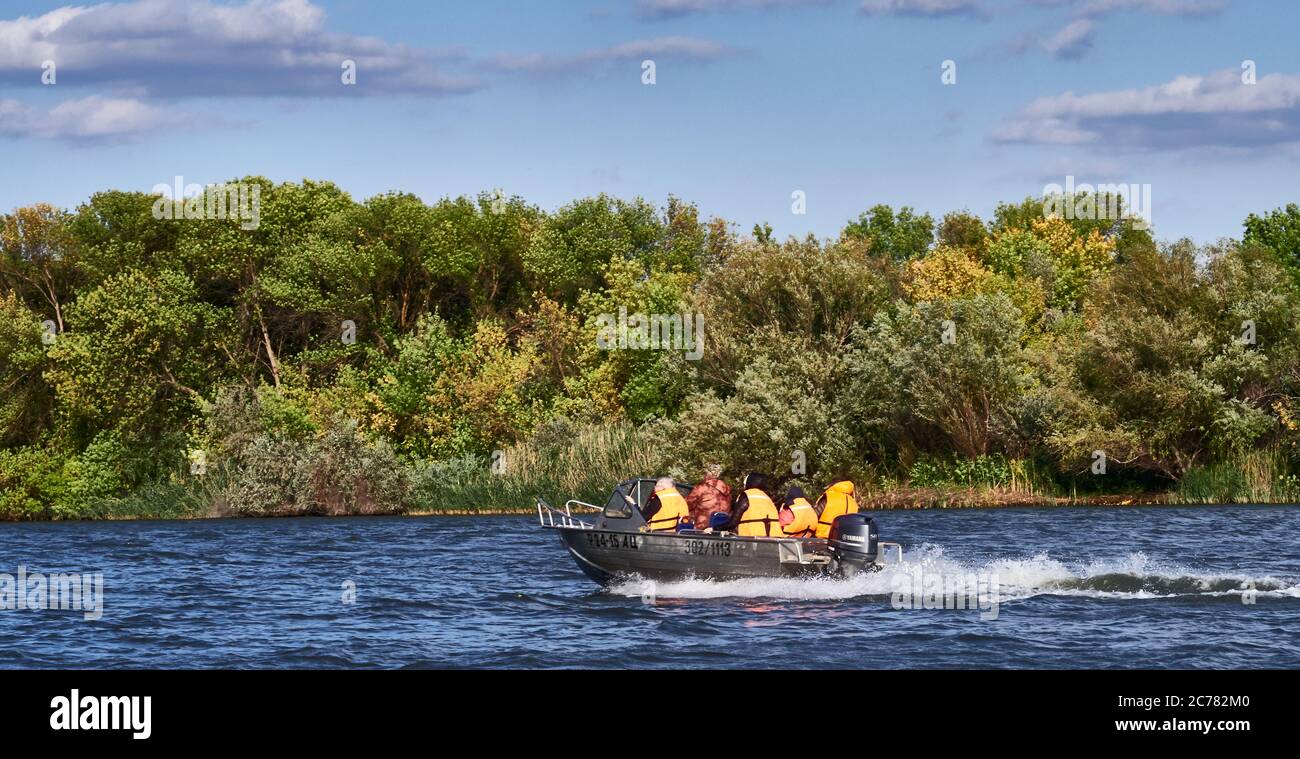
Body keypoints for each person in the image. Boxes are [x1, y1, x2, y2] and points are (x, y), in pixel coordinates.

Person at [733, 472, 783, 538]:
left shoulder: (746, 496)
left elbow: (733, 523)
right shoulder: (767, 498)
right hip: (773, 539)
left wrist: (719, 527)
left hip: (752, 540)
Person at [686, 465, 731, 531]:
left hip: (704, 527)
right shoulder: (726, 490)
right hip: (722, 528)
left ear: (708, 474)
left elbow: (687, 505)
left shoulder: (702, 488)